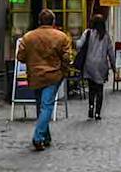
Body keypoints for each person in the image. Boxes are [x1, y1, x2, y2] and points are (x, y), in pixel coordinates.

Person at [18, 9, 72, 151]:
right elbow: (67, 57)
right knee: (47, 106)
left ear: (39, 21)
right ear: (53, 22)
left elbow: (20, 57)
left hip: (35, 75)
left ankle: (45, 137)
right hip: (53, 75)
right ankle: (38, 137)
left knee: (40, 106)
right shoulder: (61, 37)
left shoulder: (28, 37)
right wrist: (64, 71)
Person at [76, 14, 115, 120]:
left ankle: (91, 107)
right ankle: (98, 113)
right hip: (101, 65)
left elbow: (79, 45)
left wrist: (73, 40)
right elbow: (110, 52)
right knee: (99, 89)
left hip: (89, 64)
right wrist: (114, 65)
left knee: (91, 88)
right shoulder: (106, 36)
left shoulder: (87, 33)